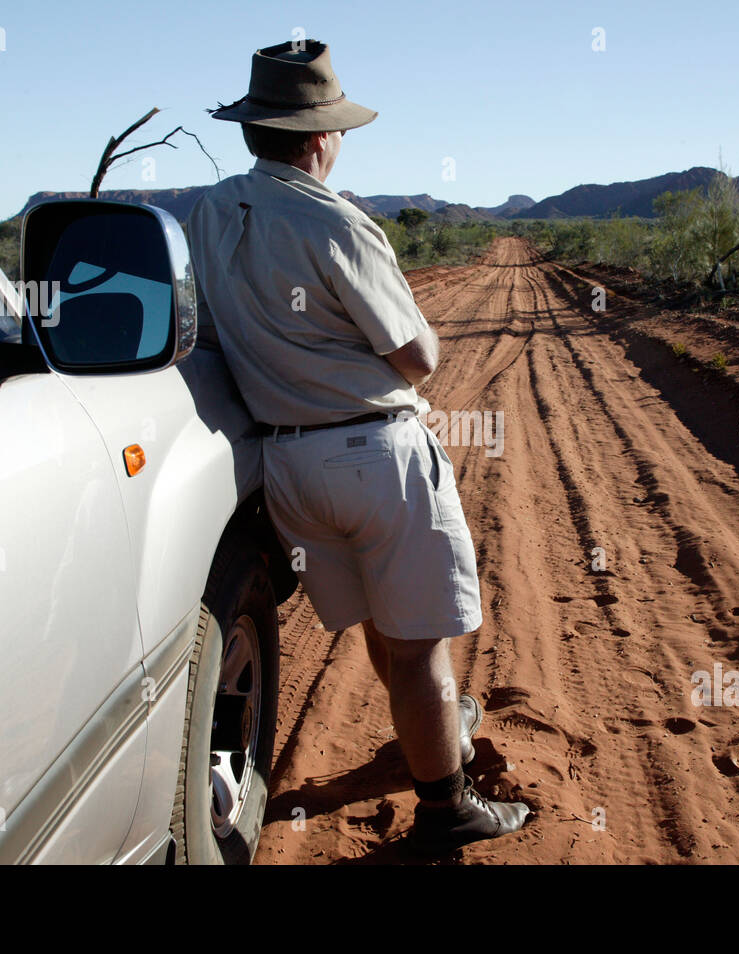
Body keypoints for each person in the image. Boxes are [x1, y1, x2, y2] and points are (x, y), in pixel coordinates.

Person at [187, 38, 529, 852]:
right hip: (374, 456)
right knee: (418, 647)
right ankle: (449, 807)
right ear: (318, 137)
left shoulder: (203, 213)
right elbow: (416, 357)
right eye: (337, 129)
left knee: (384, 622)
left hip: (287, 467)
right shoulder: (336, 222)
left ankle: (437, 728)